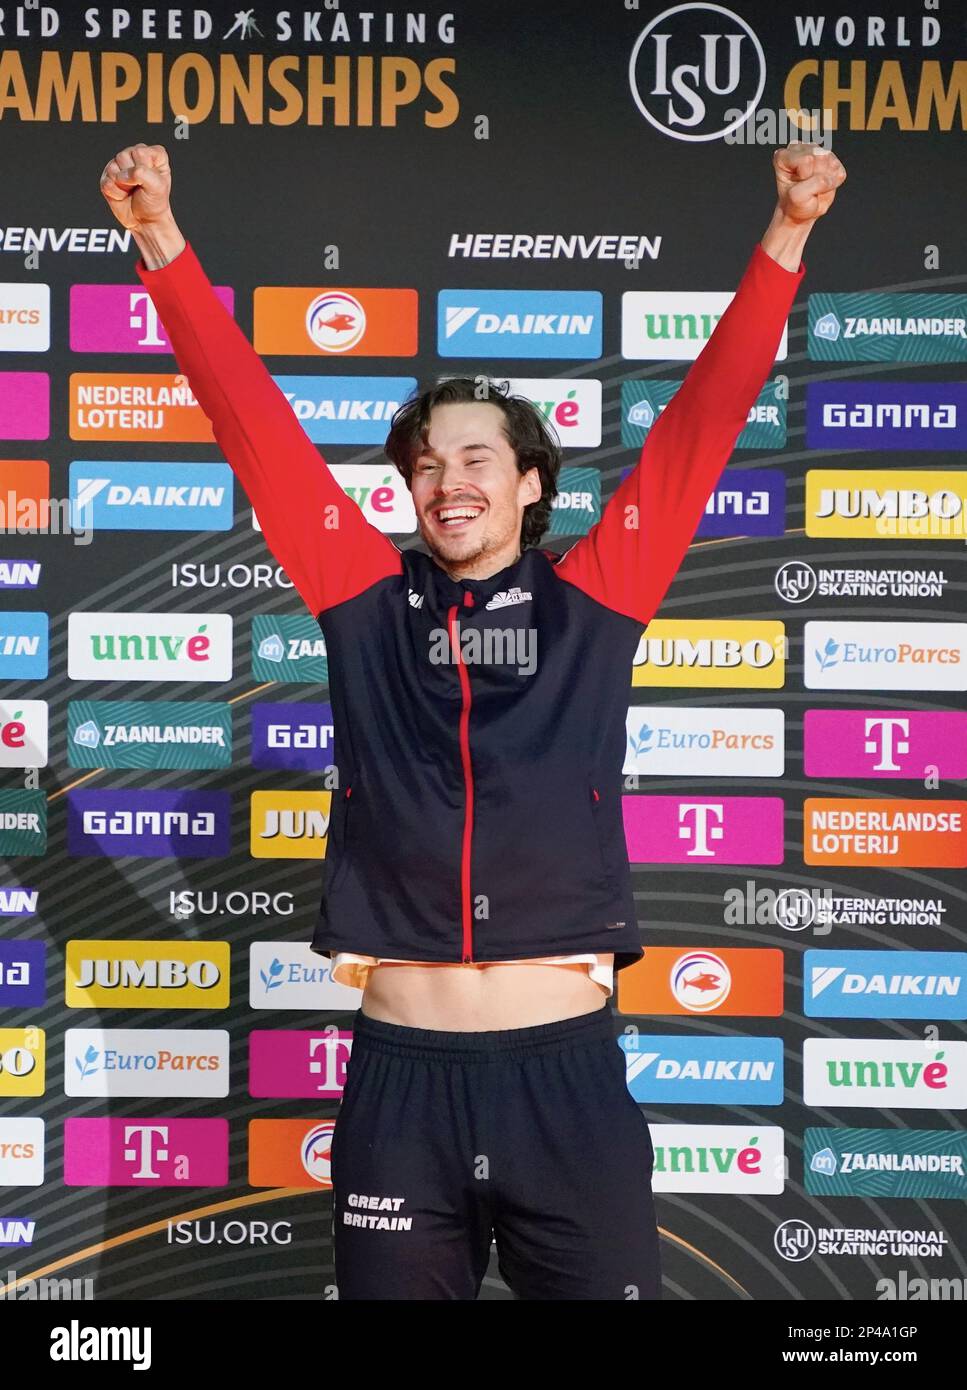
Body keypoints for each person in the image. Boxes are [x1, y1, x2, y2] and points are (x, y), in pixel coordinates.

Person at [99, 139, 845, 1300]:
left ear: (530, 484)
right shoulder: (361, 600)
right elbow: (255, 430)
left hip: (567, 1083)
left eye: (477, 458)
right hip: (401, 1086)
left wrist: (787, 234)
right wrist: (159, 239)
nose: (449, 480)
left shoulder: (598, 596)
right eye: (425, 464)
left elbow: (703, 427)